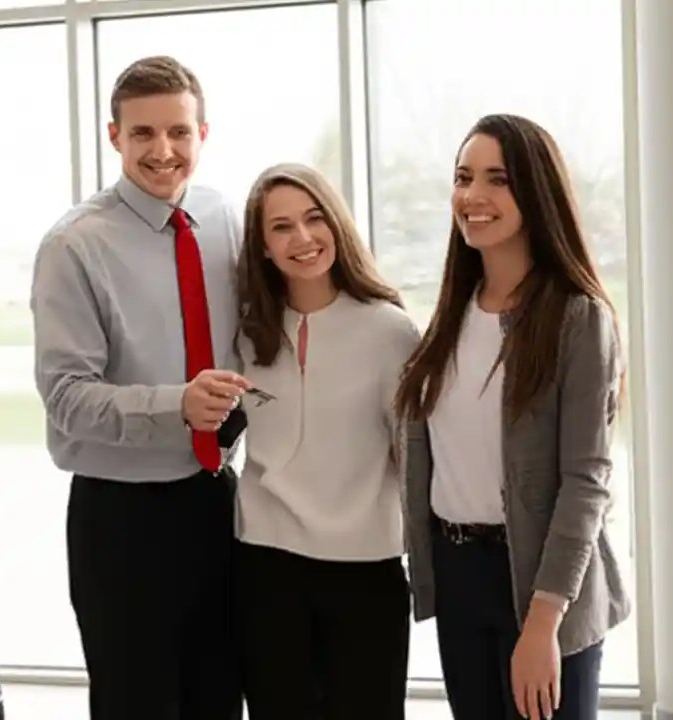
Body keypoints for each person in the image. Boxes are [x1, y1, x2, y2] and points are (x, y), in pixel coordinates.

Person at [29, 55, 245, 720]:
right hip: (121, 523)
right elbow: (66, 397)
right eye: (144, 133)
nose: (163, 151)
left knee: (217, 700)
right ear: (114, 136)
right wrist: (175, 405)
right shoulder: (75, 245)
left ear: (203, 134)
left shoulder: (222, 219)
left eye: (179, 132)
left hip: (217, 506)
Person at [394, 113, 631, 720]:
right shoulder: (447, 321)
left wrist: (542, 623)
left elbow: (586, 484)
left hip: (540, 582)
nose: (473, 196)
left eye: (497, 179)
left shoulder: (578, 319)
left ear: (535, 192)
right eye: (463, 177)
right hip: (459, 572)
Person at [231, 162, 419, 719]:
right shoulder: (247, 334)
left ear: (337, 225)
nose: (303, 238)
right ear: (262, 246)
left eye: (315, 219)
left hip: (366, 569)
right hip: (266, 566)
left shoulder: (391, 331)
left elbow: (412, 455)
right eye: (282, 227)